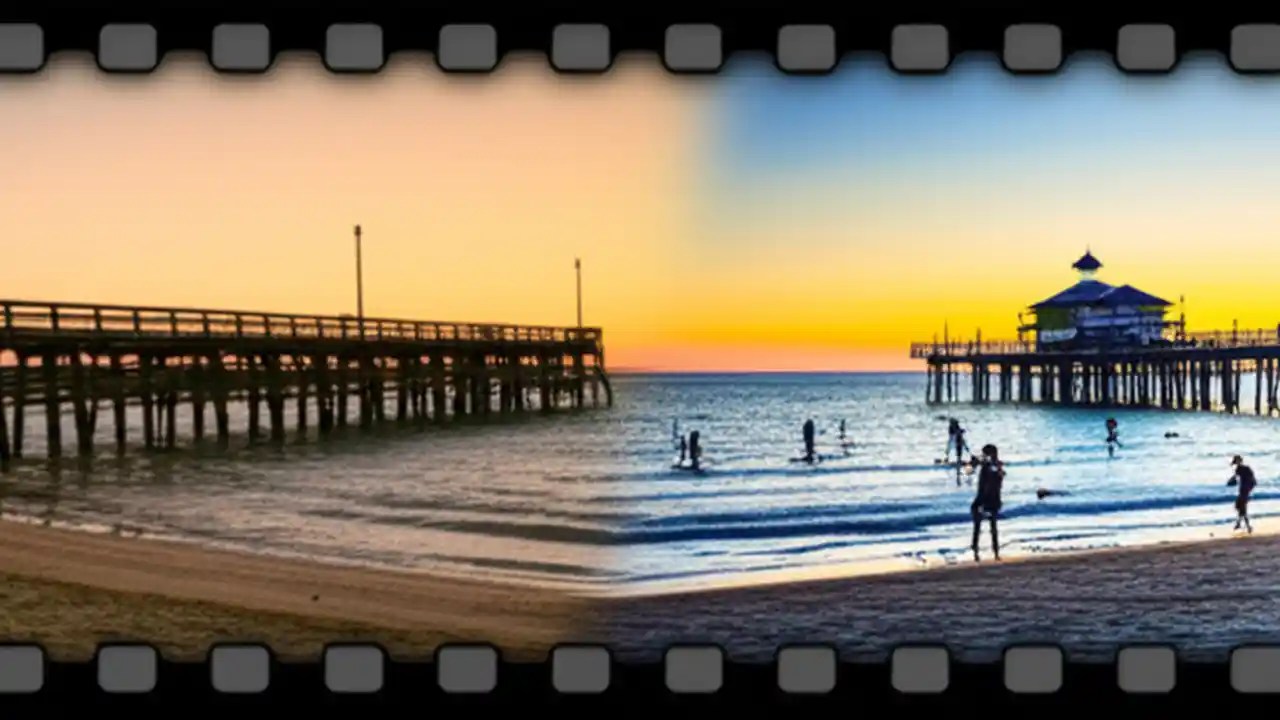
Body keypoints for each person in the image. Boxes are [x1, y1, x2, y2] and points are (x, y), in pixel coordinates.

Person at [971, 443, 1005, 562]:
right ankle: (982, 551)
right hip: (990, 500)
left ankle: (980, 551)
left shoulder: (991, 466)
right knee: (990, 527)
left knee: (985, 527)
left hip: (987, 499)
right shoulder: (991, 466)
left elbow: (995, 478)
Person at [1228, 454, 1257, 534]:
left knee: (1241, 508)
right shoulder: (1241, 469)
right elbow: (1235, 477)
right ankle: (1241, 524)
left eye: (1236, 462)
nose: (1236, 464)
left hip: (1245, 490)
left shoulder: (1244, 469)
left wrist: (1248, 489)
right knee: (1240, 507)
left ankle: (1245, 526)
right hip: (1243, 490)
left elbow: (1253, 480)